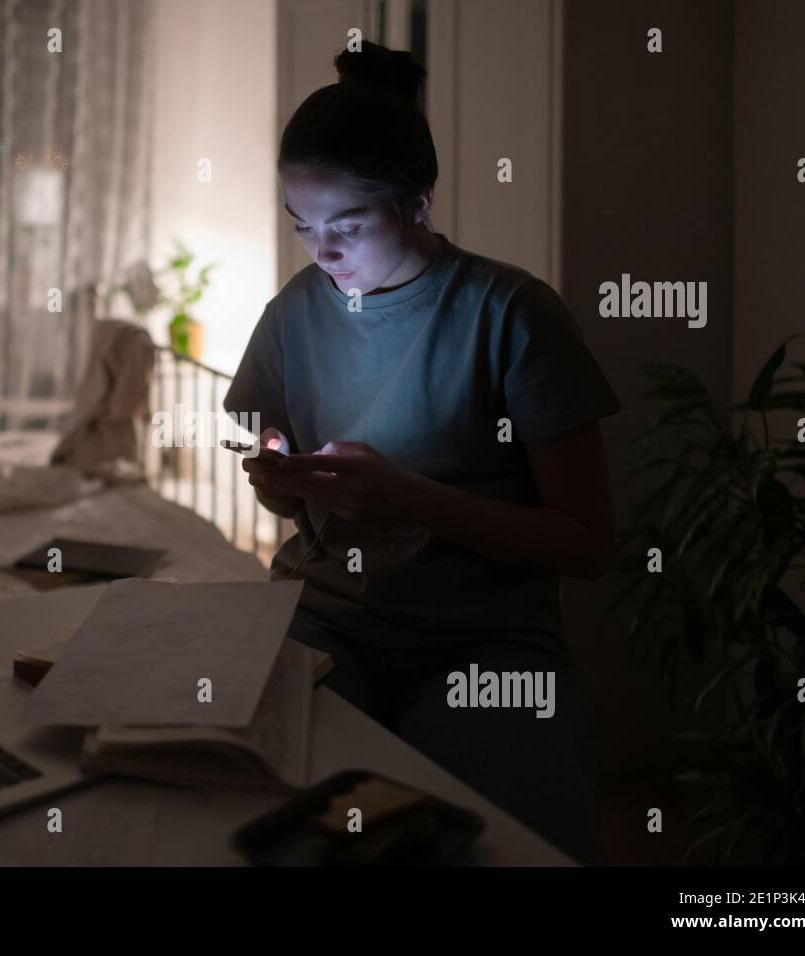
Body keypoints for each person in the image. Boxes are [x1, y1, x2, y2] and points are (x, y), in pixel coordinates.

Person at [222, 41, 621, 864]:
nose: (321, 253)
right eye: (302, 225)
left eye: (346, 225)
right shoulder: (295, 311)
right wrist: (277, 477)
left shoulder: (512, 314)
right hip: (326, 615)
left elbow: (587, 543)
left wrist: (408, 497)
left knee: (499, 828)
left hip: (482, 639)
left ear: (417, 202)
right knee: (253, 800)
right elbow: (275, 473)